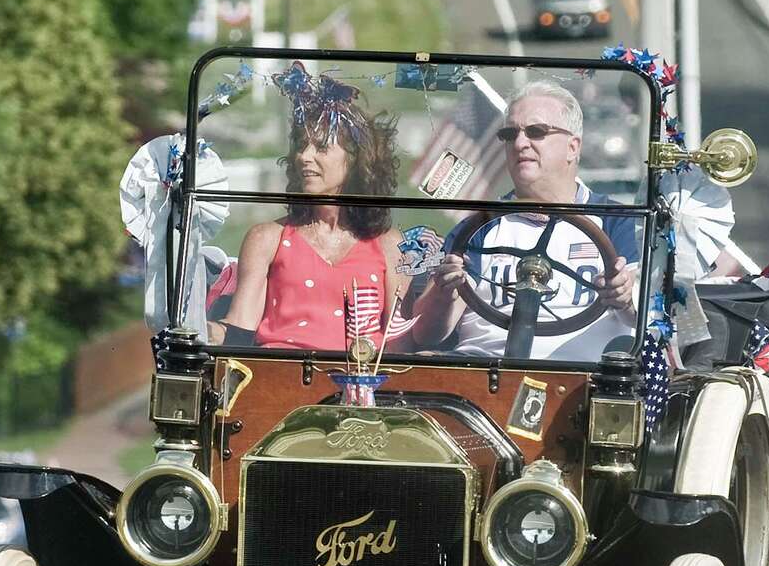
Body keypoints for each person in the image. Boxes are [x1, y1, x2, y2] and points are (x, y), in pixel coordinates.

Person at [411, 80, 639, 359]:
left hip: (584, 383)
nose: (520, 143)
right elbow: (424, 334)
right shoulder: (480, 226)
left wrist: (624, 298)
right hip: (484, 377)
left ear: (572, 147)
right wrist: (444, 294)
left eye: (536, 131)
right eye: (510, 133)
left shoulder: (617, 221)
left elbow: (648, 317)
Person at [208, 65, 406, 350]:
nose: (304, 157)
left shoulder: (388, 245)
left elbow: (398, 343)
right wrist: (197, 329)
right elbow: (239, 329)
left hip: (360, 385)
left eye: (321, 147)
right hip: (280, 382)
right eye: (301, 146)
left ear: (355, 160)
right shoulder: (267, 238)